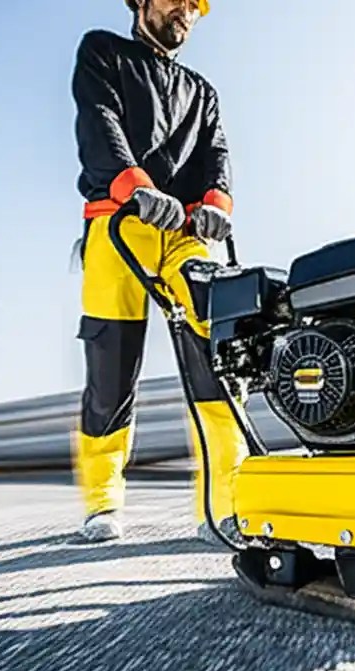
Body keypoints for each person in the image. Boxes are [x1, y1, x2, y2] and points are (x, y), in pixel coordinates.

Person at [69, 0, 246, 543]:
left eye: (195, 5)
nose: (186, 11)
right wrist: (136, 188)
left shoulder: (202, 92)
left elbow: (216, 155)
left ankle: (224, 505)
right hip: (120, 223)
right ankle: (102, 502)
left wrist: (217, 202)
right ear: (141, 2)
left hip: (187, 234)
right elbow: (100, 125)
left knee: (216, 358)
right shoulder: (103, 53)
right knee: (111, 366)